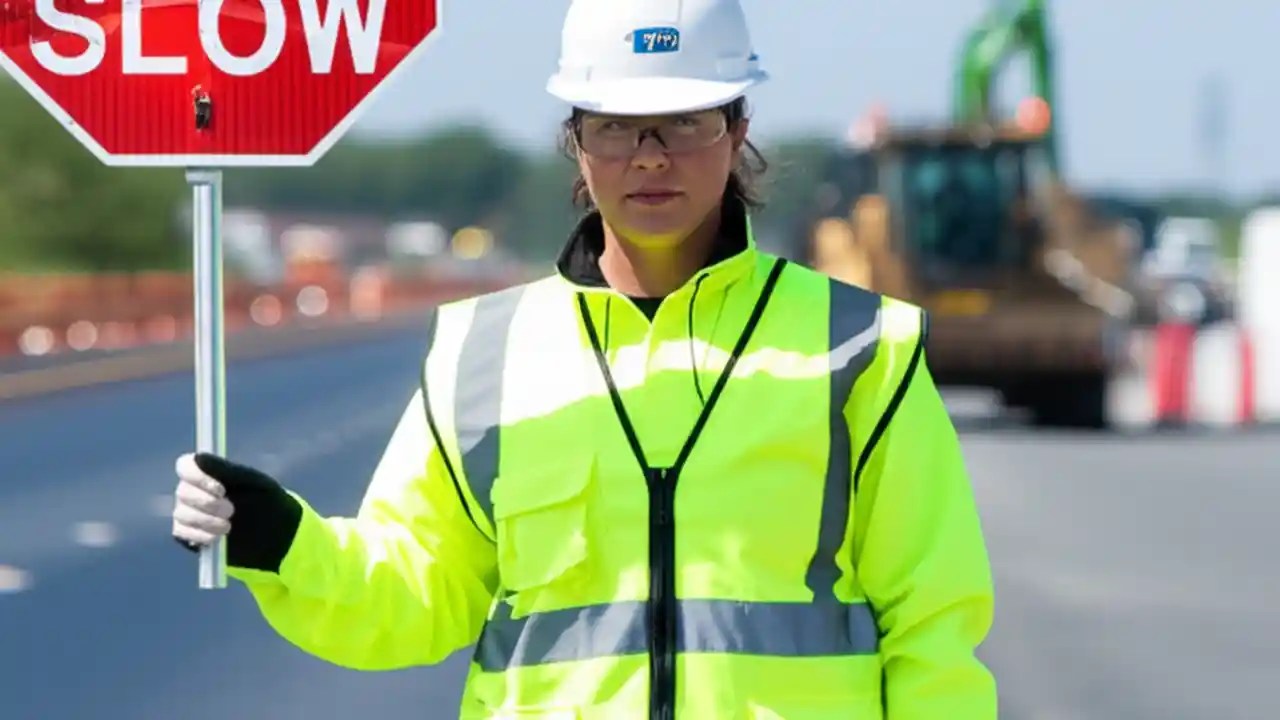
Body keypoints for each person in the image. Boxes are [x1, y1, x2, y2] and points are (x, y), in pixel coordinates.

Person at [170, 0, 999, 717]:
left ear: (738, 129)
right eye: (614, 125)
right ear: (575, 140)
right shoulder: (480, 353)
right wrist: (285, 543)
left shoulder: (860, 347)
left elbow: (934, 625)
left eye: (686, 120)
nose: (649, 154)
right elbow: (416, 596)